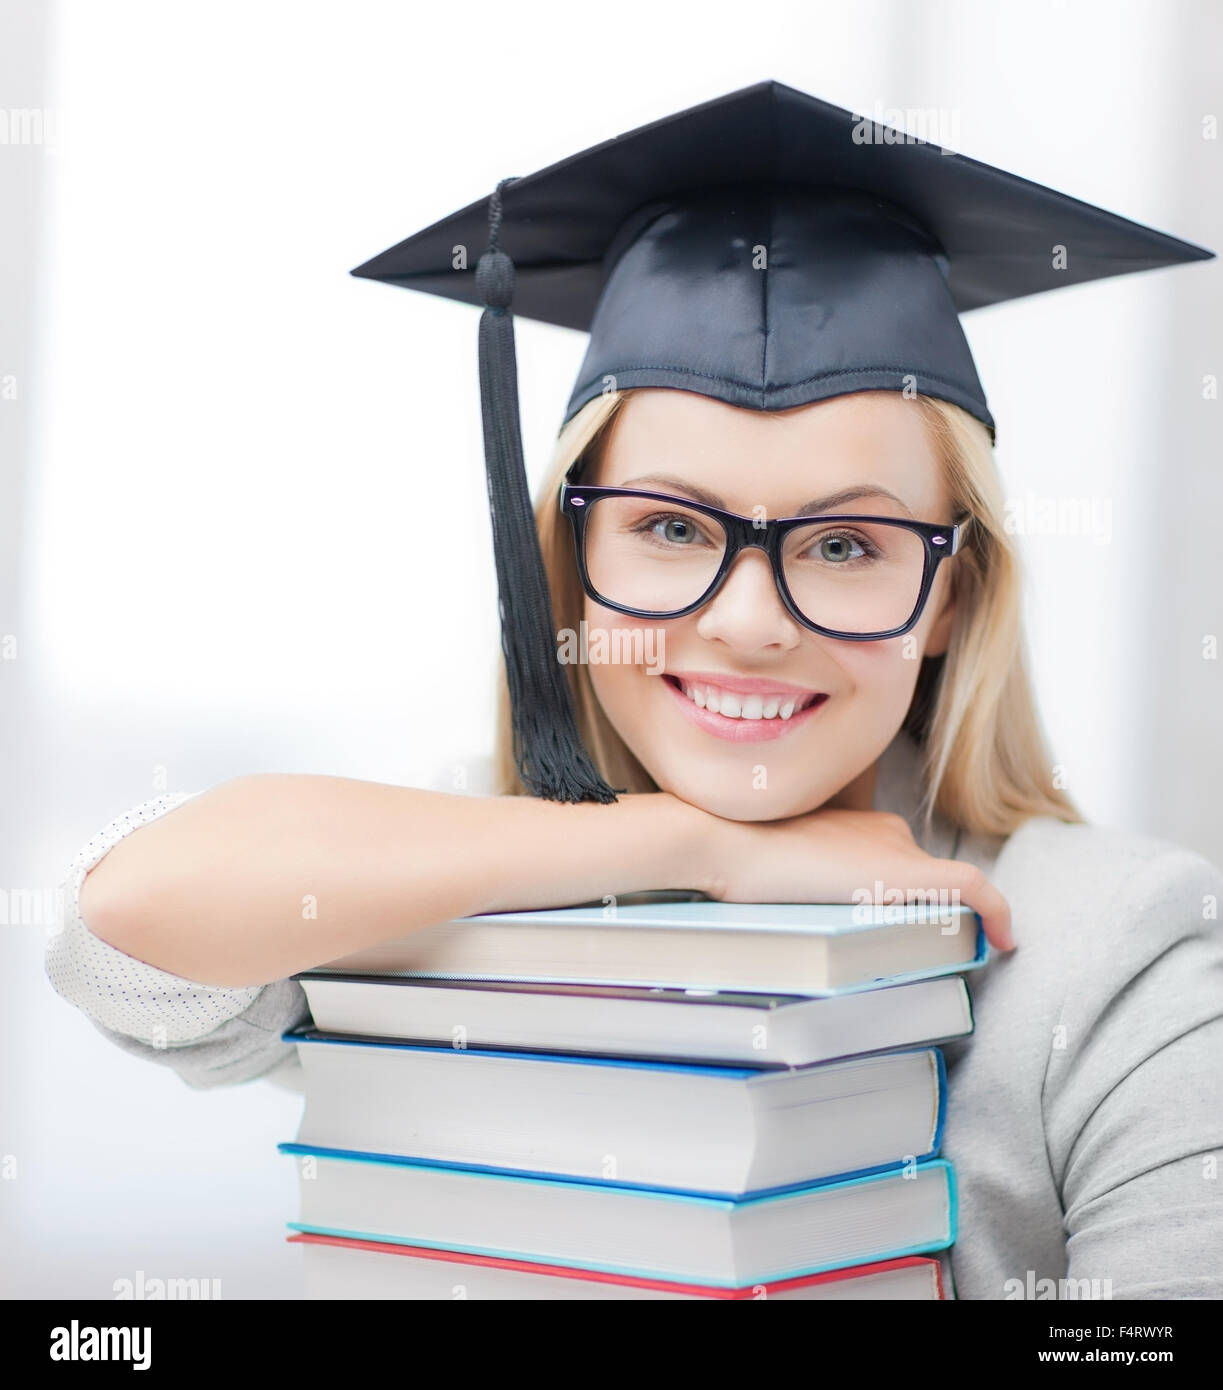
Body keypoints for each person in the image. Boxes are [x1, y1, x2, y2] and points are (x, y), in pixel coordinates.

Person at [47, 82, 1223, 1299]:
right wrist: (696, 847)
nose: (748, 622)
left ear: (953, 600)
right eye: (667, 524)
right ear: (571, 570)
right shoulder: (469, 874)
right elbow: (123, 929)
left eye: (842, 546)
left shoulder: (1115, 952)